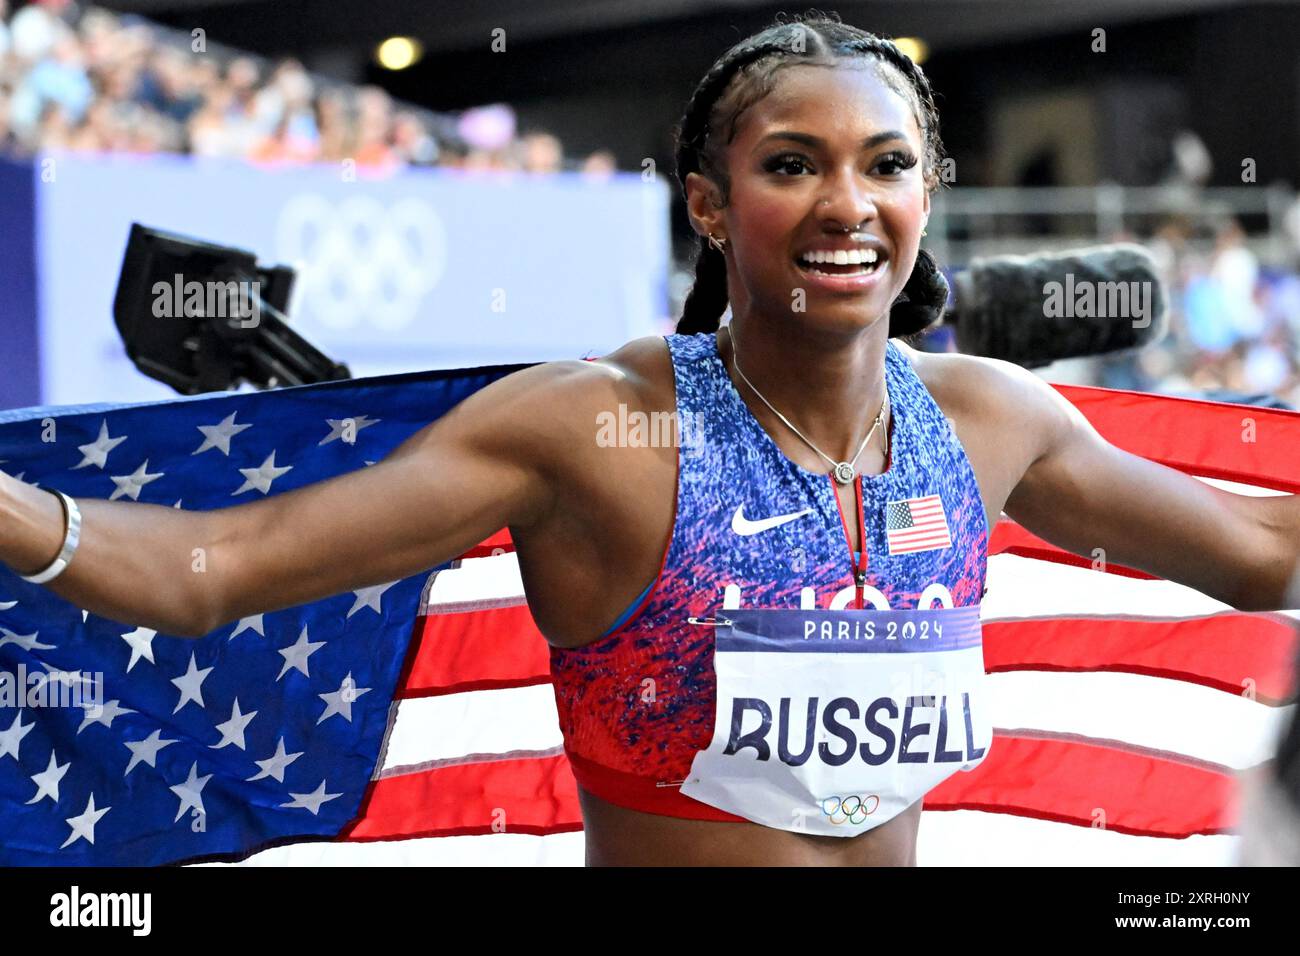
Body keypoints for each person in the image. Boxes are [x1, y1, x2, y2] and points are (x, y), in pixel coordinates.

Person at [1, 12, 1296, 867]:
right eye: (792, 164)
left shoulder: (992, 419)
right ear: (711, 205)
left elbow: (1252, 549)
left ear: (924, 195)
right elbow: (213, 572)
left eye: (885, 164)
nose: (847, 202)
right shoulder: (594, 430)